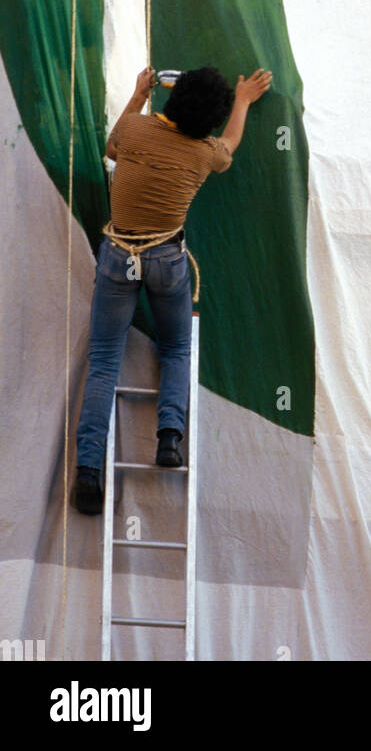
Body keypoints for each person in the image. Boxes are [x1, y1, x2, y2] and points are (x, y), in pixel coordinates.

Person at [73, 63, 272, 515]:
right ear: (210, 119)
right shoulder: (205, 153)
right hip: (166, 260)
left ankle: (87, 470)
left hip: (119, 255)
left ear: (174, 97)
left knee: (104, 361)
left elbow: (111, 147)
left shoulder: (135, 129)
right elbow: (230, 143)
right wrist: (242, 100)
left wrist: (139, 93)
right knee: (176, 349)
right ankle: (168, 438)